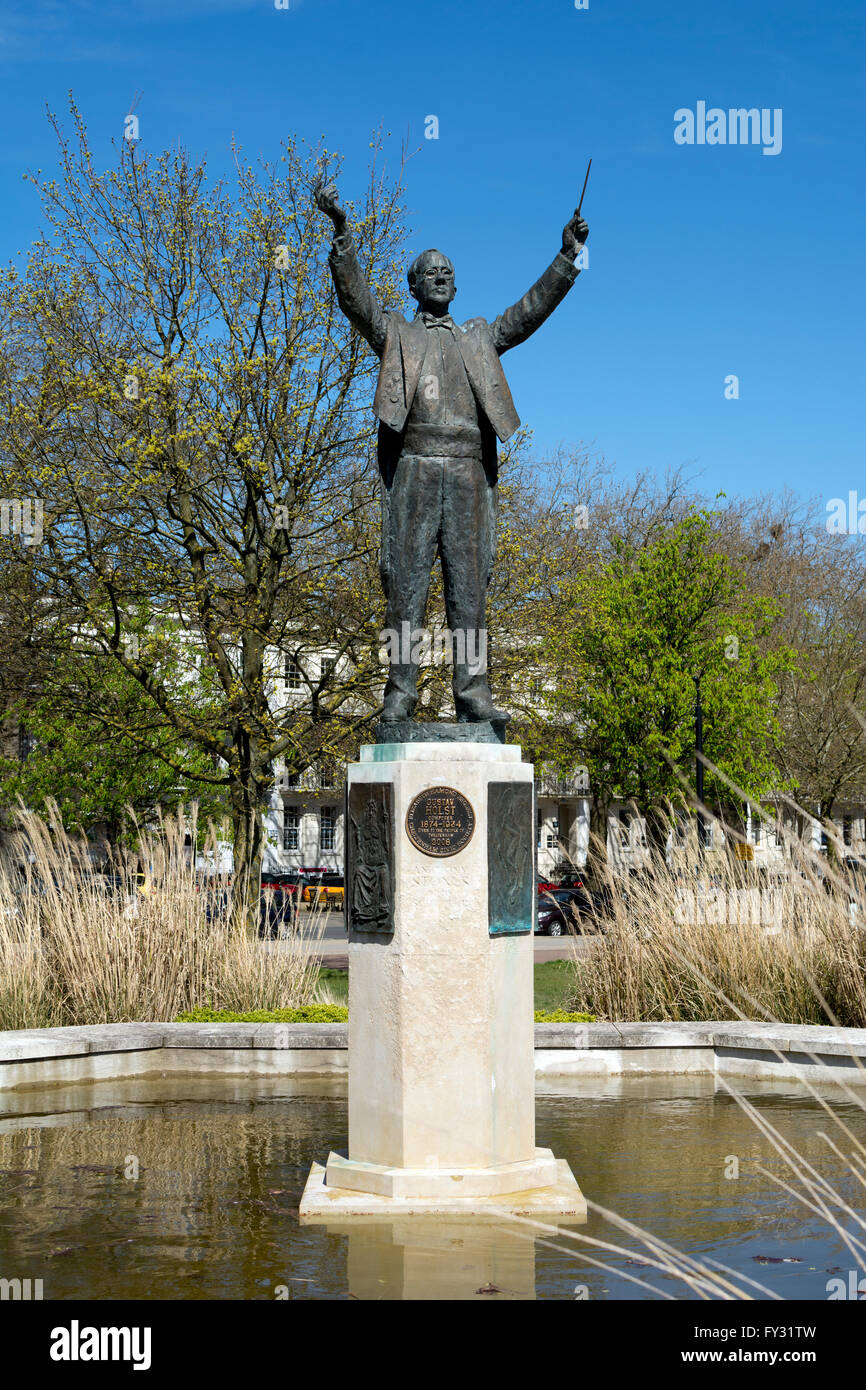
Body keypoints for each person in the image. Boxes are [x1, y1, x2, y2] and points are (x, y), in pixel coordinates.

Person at [316, 181, 589, 724]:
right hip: (415, 468)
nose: (441, 276)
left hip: (467, 475)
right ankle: (399, 695)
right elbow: (355, 299)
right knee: (405, 589)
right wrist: (343, 232)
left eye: (448, 271)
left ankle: (474, 695)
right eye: (430, 272)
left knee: (470, 591)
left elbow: (530, 311)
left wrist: (566, 257)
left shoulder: (479, 336)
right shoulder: (395, 332)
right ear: (414, 285)